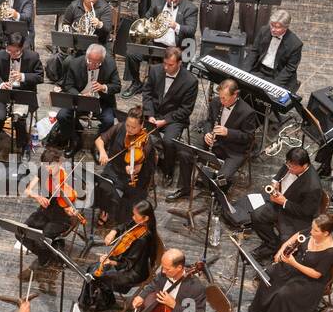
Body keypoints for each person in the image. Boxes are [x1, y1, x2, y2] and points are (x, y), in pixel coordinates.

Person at [246, 213, 333, 312]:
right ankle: (261, 310)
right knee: (269, 274)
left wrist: (293, 263)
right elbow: (297, 236)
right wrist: (281, 250)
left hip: (310, 281)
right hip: (296, 266)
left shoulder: (330, 252)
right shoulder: (312, 231)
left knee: (282, 294)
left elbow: (317, 274)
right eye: (312, 228)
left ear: (326, 233)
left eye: (315, 230)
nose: (311, 232)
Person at [169, 78, 256, 200]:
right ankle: (185, 189)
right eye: (220, 97)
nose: (221, 101)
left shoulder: (247, 112)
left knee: (222, 178)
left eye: (224, 98)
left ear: (235, 94)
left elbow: (249, 137)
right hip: (214, 143)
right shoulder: (216, 102)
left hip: (234, 150)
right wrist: (207, 133)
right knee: (184, 153)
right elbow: (208, 121)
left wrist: (228, 132)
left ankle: (220, 199)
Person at [80, 200, 160, 312]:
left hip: (134, 273)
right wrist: (113, 231)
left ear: (145, 218)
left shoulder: (143, 239)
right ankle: (95, 301)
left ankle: (100, 302)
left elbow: (128, 264)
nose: (133, 217)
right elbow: (124, 226)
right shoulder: (138, 223)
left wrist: (111, 262)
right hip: (126, 262)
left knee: (94, 275)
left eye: (135, 215)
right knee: (92, 269)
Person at [123, 0, 197, 96]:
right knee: (132, 53)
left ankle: (170, 92)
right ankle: (136, 83)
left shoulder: (190, 8)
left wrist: (175, 26)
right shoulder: (158, 0)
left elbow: (191, 30)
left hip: (175, 48)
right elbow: (147, 17)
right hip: (155, 44)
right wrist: (148, 25)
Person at [250, 146, 323, 260]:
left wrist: (284, 202)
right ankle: (271, 243)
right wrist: (275, 182)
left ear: (304, 166)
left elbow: (306, 212)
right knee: (257, 215)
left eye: (292, 167)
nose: (289, 168)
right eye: (288, 164)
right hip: (280, 204)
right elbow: (282, 171)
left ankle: (276, 255)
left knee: (287, 242)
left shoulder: (313, 187)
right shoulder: (292, 163)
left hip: (295, 216)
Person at [19, 147, 84, 274]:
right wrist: (37, 196)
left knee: (42, 238)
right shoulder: (43, 171)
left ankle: (45, 256)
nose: (48, 169)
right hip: (44, 211)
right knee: (20, 232)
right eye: (45, 166)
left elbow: (69, 208)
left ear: (59, 164)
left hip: (61, 219)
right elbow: (27, 190)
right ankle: (46, 254)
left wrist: (71, 211)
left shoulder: (68, 180)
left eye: (51, 166)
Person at [141, 45, 199, 182]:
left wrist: (164, 121)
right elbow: (147, 94)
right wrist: (150, 115)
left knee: (168, 142)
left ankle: (168, 171)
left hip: (174, 118)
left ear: (179, 63)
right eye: (165, 63)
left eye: (170, 65)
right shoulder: (155, 70)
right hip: (154, 113)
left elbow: (186, 110)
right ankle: (144, 163)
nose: (166, 68)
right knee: (138, 132)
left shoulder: (191, 81)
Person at [53, 42, 119, 156]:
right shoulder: (75, 63)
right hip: (79, 100)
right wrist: (79, 96)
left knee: (109, 121)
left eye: (96, 63)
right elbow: (68, 85)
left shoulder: (110, 64)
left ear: (102, 60)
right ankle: (75, 140)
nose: (92, 65)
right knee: (62, 116)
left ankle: (99, 144)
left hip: (101, 102)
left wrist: (103, 87)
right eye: (89, 61)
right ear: (86, 57)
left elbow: (117, 86)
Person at [93, 106, 155, 228]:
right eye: (128, 125)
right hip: (114, 168)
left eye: (133, 127)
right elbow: (99, 140)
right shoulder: (120, 127)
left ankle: (117, 218)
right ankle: (105, 210)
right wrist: (103, 152)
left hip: (133, 177)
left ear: (141, 125)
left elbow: (138, 168)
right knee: (103, 185)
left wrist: (131, 169)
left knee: (125, 211)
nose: (129, 130)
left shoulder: (145, 142)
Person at [0, 32, 42, 156]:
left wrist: (23, 76)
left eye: (16, 52)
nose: (12, 55)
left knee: (19, 120)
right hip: (4, 92)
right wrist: (1, 84)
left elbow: (40, 77)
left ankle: (24, 147)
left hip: (23, 93)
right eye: (9, 51)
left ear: (22, 48)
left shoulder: (33, 56)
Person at [50, 0, 113, 80]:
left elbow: (108, 28)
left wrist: (100, 24)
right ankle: (66, 83)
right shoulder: (74, 6)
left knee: (106, 62)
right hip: (78, 45)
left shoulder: (105, 7)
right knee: (68, 62)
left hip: (99, 44)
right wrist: (69, 33)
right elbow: (66, 23)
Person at [248, 9, 303, 92]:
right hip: (260, 69)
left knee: (267, 97)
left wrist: (273, 87)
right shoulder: (264, 30)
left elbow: (289, 69)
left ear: (286, 27)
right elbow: (254, 52)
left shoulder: (295, 44)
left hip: (277, 75)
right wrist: (243, 72)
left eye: (277, 27)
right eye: (272, 25)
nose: (273, 29)